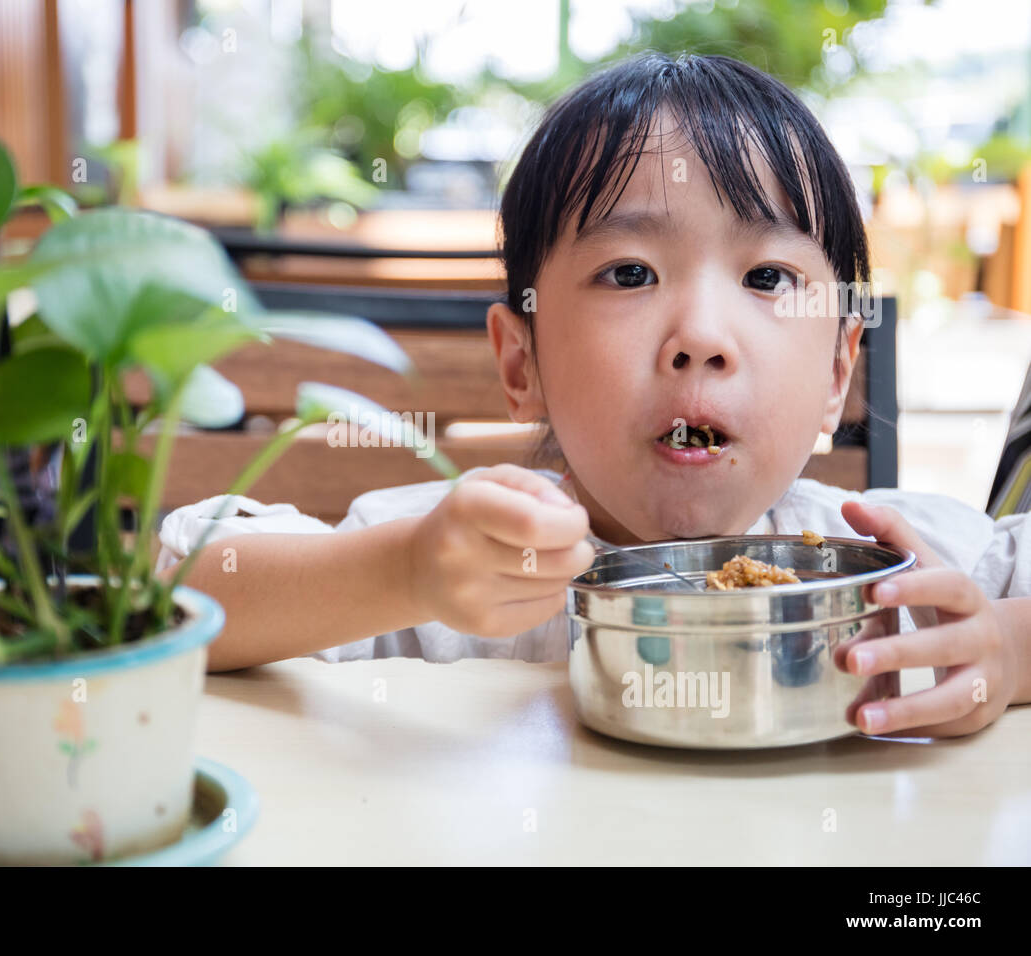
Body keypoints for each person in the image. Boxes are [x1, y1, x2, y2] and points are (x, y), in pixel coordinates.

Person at [159, 52, 1031, 738]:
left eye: (766, 274)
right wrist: (401, 572)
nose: (700, 335)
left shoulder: (898, 566)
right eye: (630, 272)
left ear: (839, 369)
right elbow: (179, 586)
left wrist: (1005, 650)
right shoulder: (454, 563)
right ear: (520, 364)